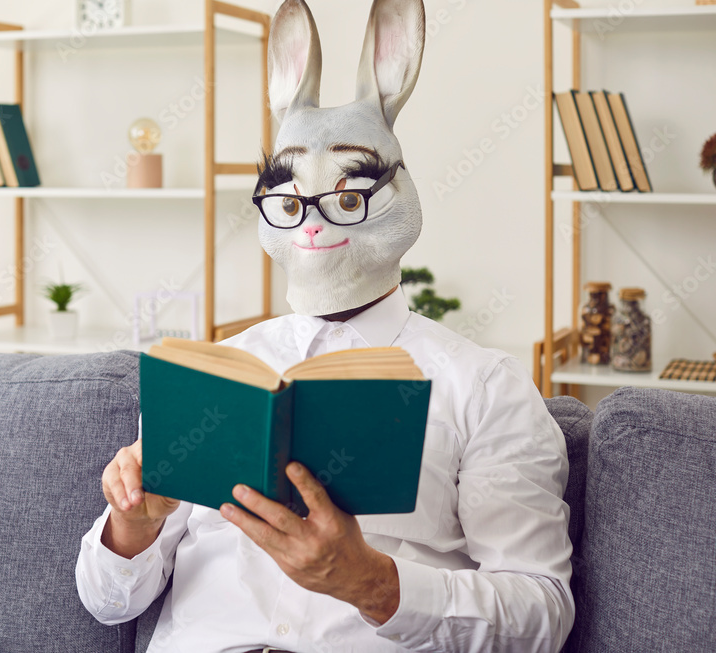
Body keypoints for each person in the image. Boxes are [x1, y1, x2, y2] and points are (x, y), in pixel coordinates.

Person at [76, 1, 575, 651]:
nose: (314, 222)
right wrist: (130, 527)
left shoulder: (484, 386)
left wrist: (375, 584)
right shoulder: (218, 376)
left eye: (347, 196)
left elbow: (543, 612)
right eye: (291, 200)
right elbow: (106, 601)